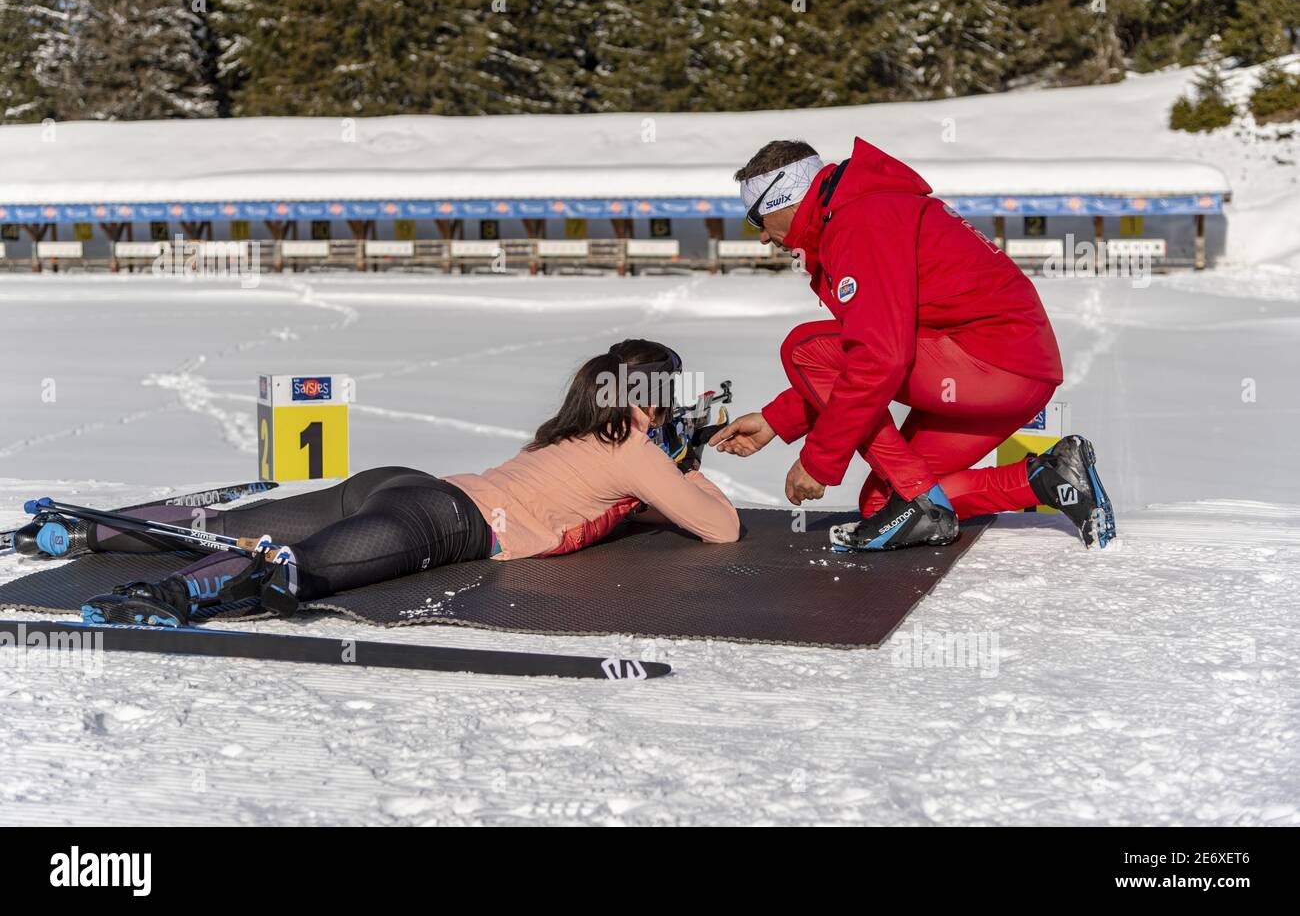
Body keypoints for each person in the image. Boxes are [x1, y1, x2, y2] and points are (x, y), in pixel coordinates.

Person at [23, 340, 740, 627]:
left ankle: (79, 528)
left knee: (253, 519)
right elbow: (720, 527)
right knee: (303, 567)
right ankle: (172, 597)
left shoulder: (575, 430)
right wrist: (687, 460)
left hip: (403, 485)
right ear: (651, 395)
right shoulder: (635, 447)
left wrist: (670, 456)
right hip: (445, 521)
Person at [710, 137, 1116, 551]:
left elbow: (877, 359)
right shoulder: (865, 211)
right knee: (884, 504)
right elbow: (860, 360)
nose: (762, 237)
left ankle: (921, 499)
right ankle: (1053, 480)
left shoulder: (860, 220)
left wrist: (820, 460)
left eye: (756, 219)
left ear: (786, 200)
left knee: (804, 347)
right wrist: (777, 421)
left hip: (989, 368)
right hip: (1012, 375)